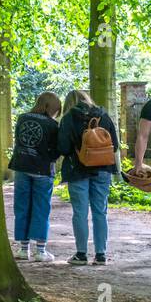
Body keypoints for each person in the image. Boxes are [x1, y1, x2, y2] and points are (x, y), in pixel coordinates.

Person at [57, 89, 119, 266]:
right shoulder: (104, 116)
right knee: (100, 212)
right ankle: (101, 255)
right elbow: (114, 145)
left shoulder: (68, 118)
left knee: (80, 213)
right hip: (103, 169)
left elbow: (63, 148)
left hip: (77, 170)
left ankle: (81, 254)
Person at [8, 91, 62, 262]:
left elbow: (19, 140)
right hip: (43, 170)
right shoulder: (53, 125)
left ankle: (24, 249)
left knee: (22, 207)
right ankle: (41, 251)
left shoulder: (23, 118)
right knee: (41, 209)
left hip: (22, 167)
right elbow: (56, 149)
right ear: (51, 107)